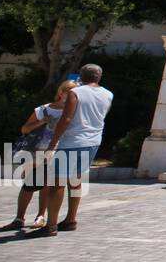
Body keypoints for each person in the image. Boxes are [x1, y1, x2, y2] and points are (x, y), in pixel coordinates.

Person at [27, 64, 113, 237]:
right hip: (93, 142)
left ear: (81, 77)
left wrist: (52, 145)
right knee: (76, 181)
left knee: (56, 184)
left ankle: (51, 225)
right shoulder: (108, 94)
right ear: (99, 77)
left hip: (73, 141)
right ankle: (71, 219)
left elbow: (66, 118)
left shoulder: (77, 93)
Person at [7, 80, 77, 231]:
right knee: (29, 185)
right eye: (68, 92)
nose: (70, 95)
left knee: (47, 185)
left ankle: (40, 216)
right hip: (37, 153)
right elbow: (25, 129)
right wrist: (42, 122)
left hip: (59, 153)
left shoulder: (74, 112)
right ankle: (19, 218)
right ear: (61, 92)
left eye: (74, 93)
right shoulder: (43, 110)